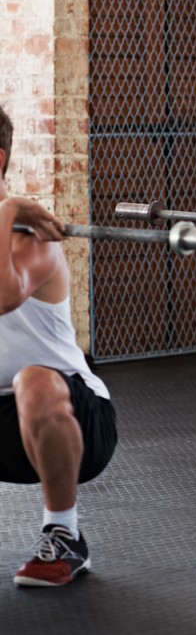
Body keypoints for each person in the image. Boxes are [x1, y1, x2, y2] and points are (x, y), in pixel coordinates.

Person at [0, 108, 118, 587]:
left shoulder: (34, 243)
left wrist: (7, 211)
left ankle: (64, 535)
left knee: (34, 379)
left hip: (74, 422)